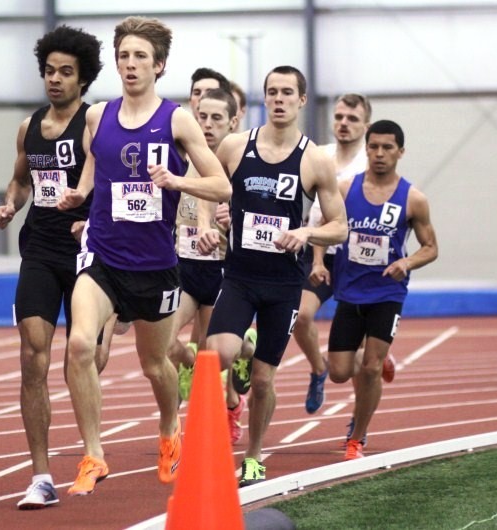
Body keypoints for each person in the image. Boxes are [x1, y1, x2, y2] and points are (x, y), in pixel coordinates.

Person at [56, 15, 231, 496]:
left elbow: (221, 183)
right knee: (78, 346)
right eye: (123, 56)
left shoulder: (175, 119)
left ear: (159, 66)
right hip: (103, 257)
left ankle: (170, 430)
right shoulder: (98, 116)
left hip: (155, 265)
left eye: (139, 57)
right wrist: (80, 195)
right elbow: (95, 163)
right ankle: (94, 455)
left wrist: (178, 181)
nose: (130, 65)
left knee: (156, 366)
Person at [203, 66, 347, 487]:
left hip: (284, 286)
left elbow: (339, 226)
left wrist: (307, 231)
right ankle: (244, 352)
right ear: (263, 98)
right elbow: (211, 187)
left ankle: (253, 455)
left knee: (265, 380)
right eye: (272, 92)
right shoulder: (234, 146)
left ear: (302, 100)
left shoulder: (315, 159)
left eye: (287, 92)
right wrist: (214, 224)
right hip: (240, 277)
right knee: (219, 356)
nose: (279, 99)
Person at [0, 26, 110, 510]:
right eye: (49, 71)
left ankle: (92, 452)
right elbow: (21, 182)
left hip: (88, 252)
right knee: (31, 356)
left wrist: (92, 220)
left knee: (82, 358)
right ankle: (41, 475)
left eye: (66, 72)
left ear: (83, 78)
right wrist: (8, 206)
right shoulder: (29, 127)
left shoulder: (97, 123)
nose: (55, 80)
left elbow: (115, 181)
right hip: (39, 249)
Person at [326, 119, 438, 460]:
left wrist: (407, 263)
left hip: (387, 294)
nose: (378, 154)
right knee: (339, 372)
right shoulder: (346, 188)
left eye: (387, 148)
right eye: (373, 147)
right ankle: (378, 352)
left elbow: (430, 247)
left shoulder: (413, 199)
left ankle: (356, 438)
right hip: (349, 292)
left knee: (371, 368)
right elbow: (324, 226)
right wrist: (317, 262)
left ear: (400, 152)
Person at [167, 87, 255, 446]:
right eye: (201, 116)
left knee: (213, 359)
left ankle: (243, 364)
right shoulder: (180, 158)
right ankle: (197, 370)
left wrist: (233, 220)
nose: (207, 124)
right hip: (184, 268)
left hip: (223, 273)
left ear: (233, 121)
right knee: (163, 345)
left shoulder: (240, 166)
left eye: (217, 118)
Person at [293, 93, 375, 415]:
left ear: (366, 126)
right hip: (320, 251)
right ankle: (317, 368)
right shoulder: (319, 155)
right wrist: (314, 258)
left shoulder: (371, 163)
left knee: (361, 356)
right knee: (299, 317)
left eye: (352, 119)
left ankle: (356, 424)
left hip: (358, 260)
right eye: (339, 117)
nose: (343, 123)